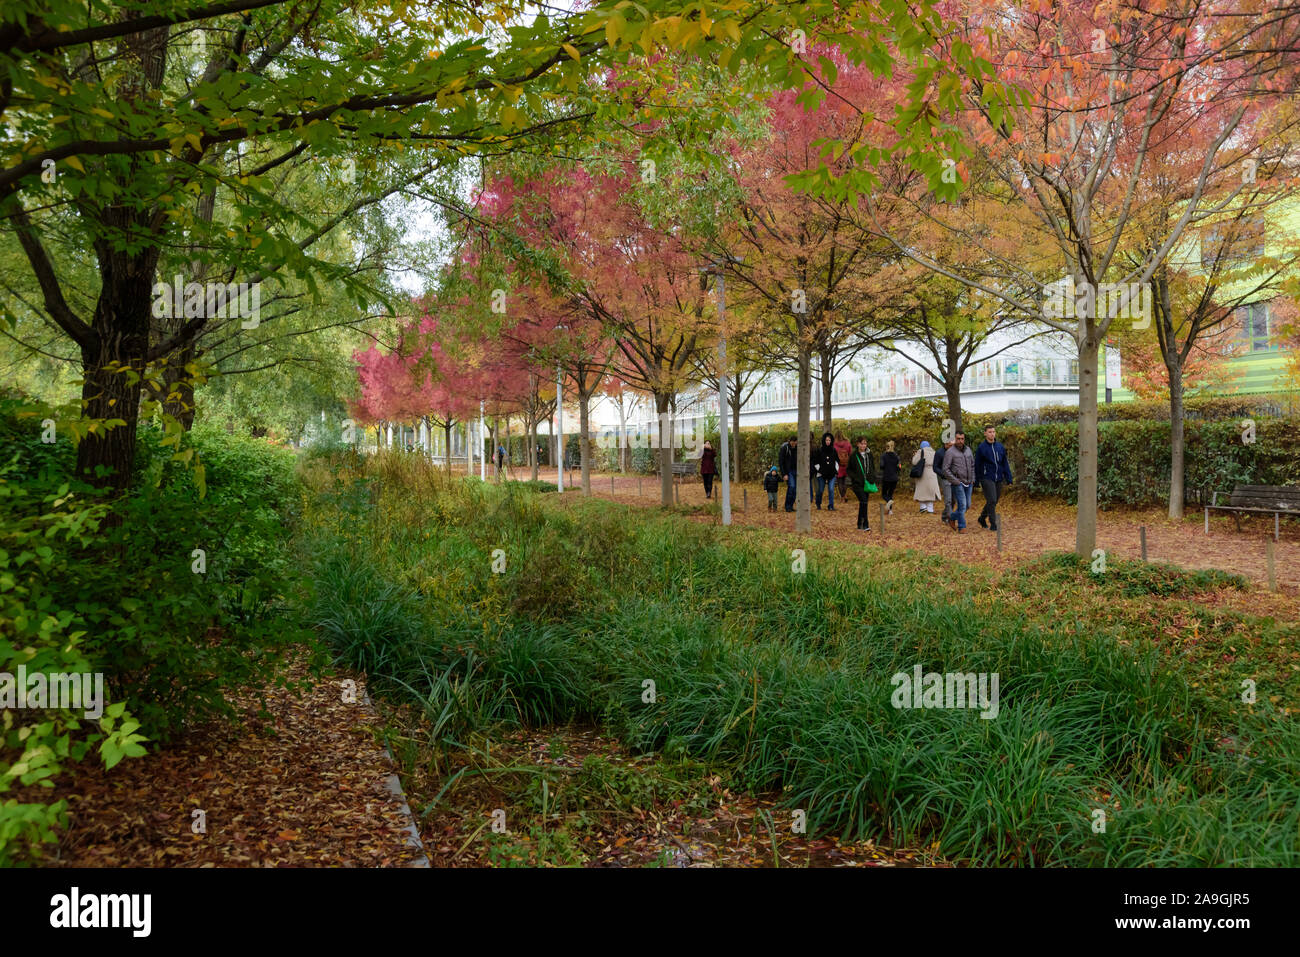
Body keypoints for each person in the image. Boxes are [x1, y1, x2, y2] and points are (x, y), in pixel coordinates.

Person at [975, 425, 1014, 531]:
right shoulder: (981, 448)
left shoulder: (1000, 447)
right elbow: (977, 464)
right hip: (986, 477)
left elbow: (1004, 463)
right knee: (991, 499)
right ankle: (993, 524)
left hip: (998, 477)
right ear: (985, 434)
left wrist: (1008, 477)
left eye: (993, 432)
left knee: (994, 501)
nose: (992, 434)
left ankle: (982, 518)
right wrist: (977, 480)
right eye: (989, 432)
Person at [940, 431, 975, 533]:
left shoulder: (968, 450)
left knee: (967, 505)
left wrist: (973, 479)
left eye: (962, 439)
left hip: (969, 482)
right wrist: (955, 481)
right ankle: (962, 526)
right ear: (955, 439)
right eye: (958, 439)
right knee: (962, 505)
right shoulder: (950, 452)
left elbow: (972, 465)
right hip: (958, 482)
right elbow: (945, 469)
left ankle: (952, 517)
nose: (960, 441)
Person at [847, 436, 875, 531]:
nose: (863, 445)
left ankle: (860, 523)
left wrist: (872, 477)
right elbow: (849, 469)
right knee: (863, 501)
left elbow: (872, 467)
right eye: (862, 443)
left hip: (867, 483)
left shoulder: (869, 455)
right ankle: (866, 524)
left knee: (863, 503)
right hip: (858, 484)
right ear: (858, 444)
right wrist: (855, 478)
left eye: (865, 443)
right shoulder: (854, 455)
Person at [912, 440, 941, 513]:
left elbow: (914, 462)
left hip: (923, 472)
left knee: (922, 491)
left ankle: (923, 507)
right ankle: (930, 509)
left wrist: (915, 455)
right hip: (932, 472)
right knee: (930, 491)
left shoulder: (921, 451)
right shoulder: (934, 452)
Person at [814, 431, 839, 510]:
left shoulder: (834, 450)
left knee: (831, 490)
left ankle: (831, 506)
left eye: (829, 440)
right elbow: (815, 462)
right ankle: (818, 503)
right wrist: (820, 470)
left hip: (831, 474)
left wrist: (836, 470)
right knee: (820, 490)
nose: (828, 442)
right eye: (826, 440)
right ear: (824, 441)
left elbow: (837, 461)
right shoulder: (820, 450)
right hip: (821, 474)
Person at [778, 435, 798, 513]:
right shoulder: (785, 448)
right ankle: (787, 506)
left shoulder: (797, 448)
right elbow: (781, 462)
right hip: (788, 471)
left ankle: (791, 505)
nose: (793, 444)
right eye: (792, 442)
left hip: (796, 471)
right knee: (791, 487)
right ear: (790, 441)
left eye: (795, 442)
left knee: (795, 490)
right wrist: (784, 474)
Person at [934, 439, 952, 524]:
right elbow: (935, 467)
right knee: (948, 500)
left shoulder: (955, 451)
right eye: (950, 444)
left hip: (955, 478)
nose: (951, 446)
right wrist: (943, 474)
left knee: (954, 500)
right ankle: (951, 519)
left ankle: (945, 515)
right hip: (944, 479)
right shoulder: (939, 453)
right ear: (945, 443)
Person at [880, 440, 900, 514]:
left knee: (884, 494)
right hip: (894, 478)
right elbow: (899, 467)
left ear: (886, 447)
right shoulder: (896, 456)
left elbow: (881, 466)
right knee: (890, 494)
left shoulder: (884, 456)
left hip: (886, 478)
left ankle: (888, 501)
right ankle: (890, 511)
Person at [834, 432, 852, 499]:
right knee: (844, 481)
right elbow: (850, 454)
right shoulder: (847, 443)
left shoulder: (834, 445)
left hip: (838, 466)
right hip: (846, 465)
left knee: (839, 482)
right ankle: (845, 495)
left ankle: (843, 496)